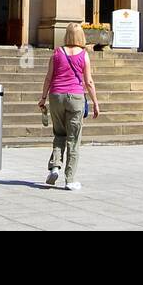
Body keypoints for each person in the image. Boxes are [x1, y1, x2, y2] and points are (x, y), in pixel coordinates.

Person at [37, 22, 100, 190]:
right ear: (81, 36)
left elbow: (48, 78)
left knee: (59, 134)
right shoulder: (84, 55)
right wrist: (95, 102)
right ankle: (70, 179)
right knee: (73, 139)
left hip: (56, 96)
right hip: (75, 98)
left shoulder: (57, 53)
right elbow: (89, 81)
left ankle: (55, 167)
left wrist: (43, 98)